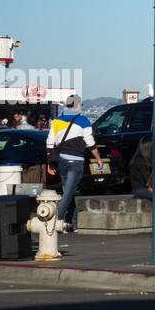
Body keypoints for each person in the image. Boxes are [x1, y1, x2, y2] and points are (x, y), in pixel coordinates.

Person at [45, 96, 102, 233]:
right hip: (77, 161)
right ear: (78, 106)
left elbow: (49, 142)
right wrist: (98, 159)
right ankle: (56, 221)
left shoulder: (56, 121)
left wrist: (50, 163)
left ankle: (72, 224)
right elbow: (90, 142)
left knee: (69, 191)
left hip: (62, 161)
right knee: (69, 192)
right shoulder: (83, 121)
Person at [130, 136, 154, 202]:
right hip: (140, 189)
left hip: (144, 189)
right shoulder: (140, 161)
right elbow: (148, 180)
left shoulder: (145, 160)